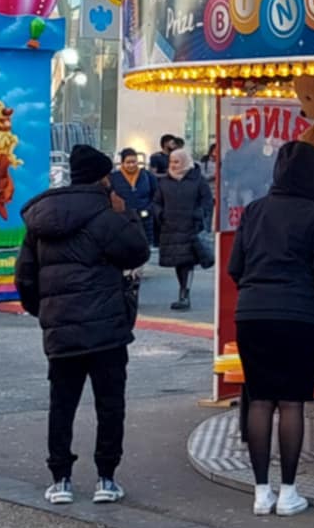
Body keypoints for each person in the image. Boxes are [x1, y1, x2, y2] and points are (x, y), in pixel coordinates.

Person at [15, 142, 151, 505]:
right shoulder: (107, 214)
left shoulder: (43, 218)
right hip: (107, 328)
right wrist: (127, 216)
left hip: (60, 328)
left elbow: (25, 277)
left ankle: (60, 479)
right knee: (109, 403)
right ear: (103, 177)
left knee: (62, 403)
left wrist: (45, 312)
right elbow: (137, 252)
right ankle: (106, 478)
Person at [225, 139, 314, 518]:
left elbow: (234, 267)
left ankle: (261, 492)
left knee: (260, 400)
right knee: (291, 402)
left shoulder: (255, 210)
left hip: (252, 314)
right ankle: (289, 492)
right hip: (299, 314)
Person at [152, 145, 213, 309]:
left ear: (185, 161)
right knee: (179, 262)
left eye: (177, 161)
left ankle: (184, 294)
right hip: (170, 228)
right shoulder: (164, 182)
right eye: (171, 161)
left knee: (187, 262)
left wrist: (199, 215)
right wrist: (160, 215)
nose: (173, 165)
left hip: (190, 227)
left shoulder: (197, 180)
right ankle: (183, 293)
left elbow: (207, 201)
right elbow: (156, 202)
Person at [110, 146, 157, 243]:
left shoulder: (147, 175)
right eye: (128, 162)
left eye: (134, 162)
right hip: (123, 219)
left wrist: (150, 208)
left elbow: (156, 194)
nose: (131, 165)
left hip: (145, 218)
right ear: (122, 163)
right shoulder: (114, 177)